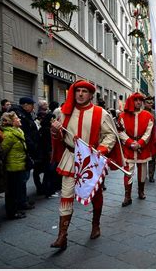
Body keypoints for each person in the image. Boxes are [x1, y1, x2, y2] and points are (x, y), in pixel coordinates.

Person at [50, 80, 118, 249]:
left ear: (91, 95)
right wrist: (54, 130)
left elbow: (110, 135)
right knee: (66, 195)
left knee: (96, 194)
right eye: (78, 90)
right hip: (71, 158)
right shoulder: (62, 112)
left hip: (92, 160)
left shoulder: (101, 113)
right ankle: (62, 235)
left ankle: (96, 224)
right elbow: (58, 138)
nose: (80, 94)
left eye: (84, 91)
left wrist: (101, 149)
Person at [118, 92, 154, 206]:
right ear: (132, 101)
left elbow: (149, 132)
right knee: (128, 172)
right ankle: (127, 196)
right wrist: (130, 142)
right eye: (136, 100)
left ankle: (141, 191)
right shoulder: (122, 116)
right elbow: (120, 131)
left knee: (142, 172)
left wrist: (140, 143)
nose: (138, 102)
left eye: (140, 100)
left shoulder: (148, 116)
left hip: (142, 148)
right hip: (129, 149)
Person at [10, 97, 40, 203]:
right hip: (23, 152)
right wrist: (32, 146)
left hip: (26, 150)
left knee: (23, 178)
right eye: (32, 105)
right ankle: (20, 201)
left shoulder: (24, 114)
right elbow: (25, 134)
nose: (33, 107)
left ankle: (22, 200)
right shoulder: (20, 115)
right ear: (25, 105)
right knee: (21, 179)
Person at [0, 112, 28, 221]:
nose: (19, 119)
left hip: (19, 164)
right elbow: (2, 151)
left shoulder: (17, 131)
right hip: (12, 166)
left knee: (16, 190)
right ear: (11, 122)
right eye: (17, 118)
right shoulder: (8, 135)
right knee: (12, 191)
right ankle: (11, 212)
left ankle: (15, 210)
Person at [143, 96, 156, 183]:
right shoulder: (140, 112)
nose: (150, 104)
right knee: (143, 158)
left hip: (153, 138)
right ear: (144, 103)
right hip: (143, 138)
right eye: (148, 102)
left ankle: (151, 175)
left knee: (152, 158)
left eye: (151, 103)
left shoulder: (155, 113)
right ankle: (143, 175)